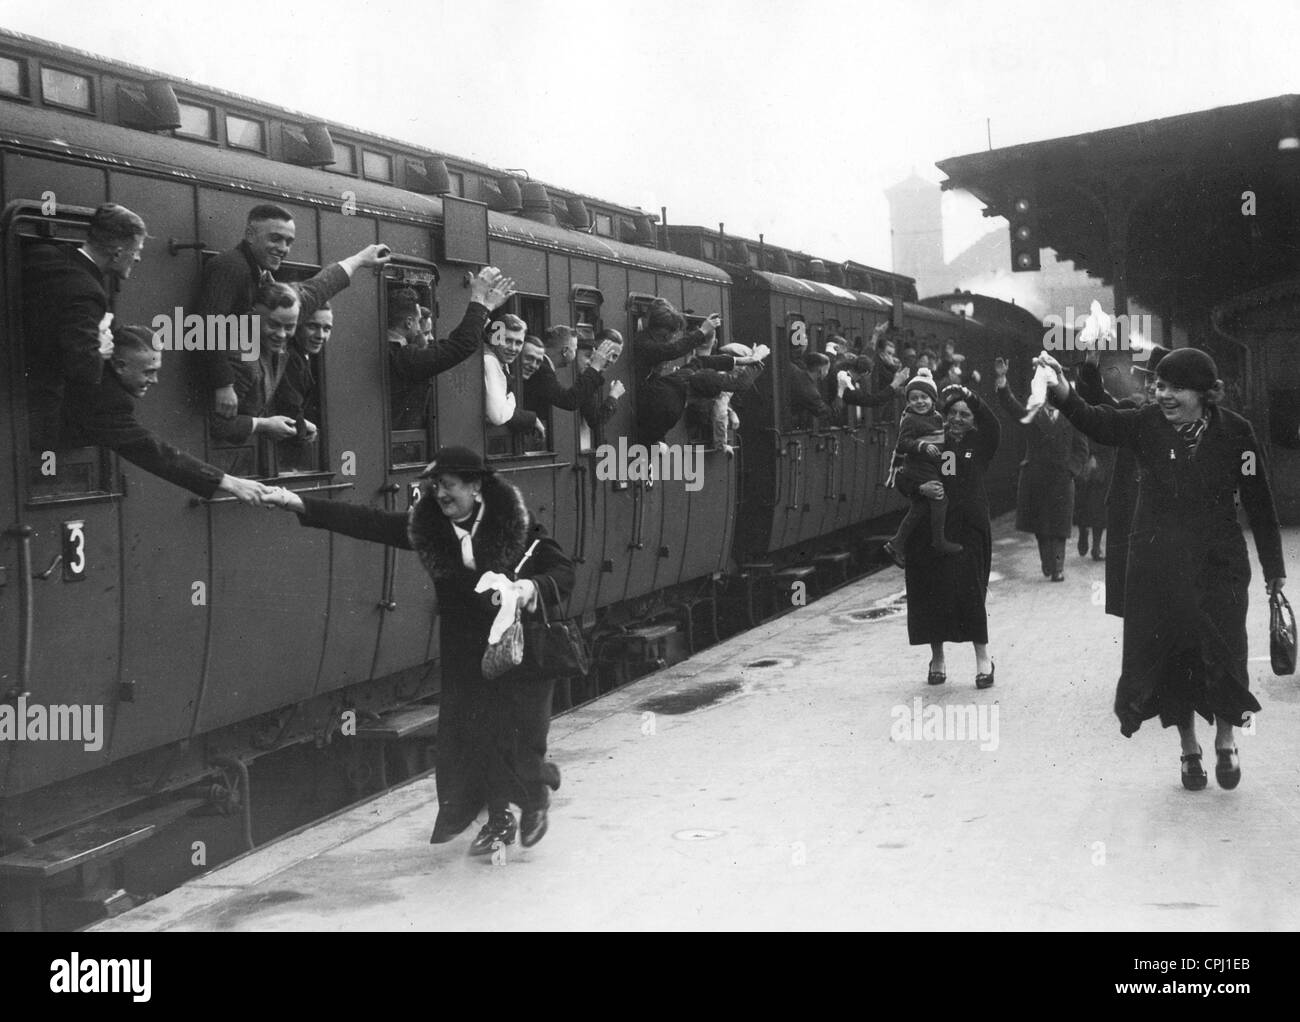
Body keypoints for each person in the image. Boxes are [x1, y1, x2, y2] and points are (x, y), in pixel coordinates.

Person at [263, 446, 573, 850]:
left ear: (476, 488)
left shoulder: (514, 523)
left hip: (517, 642)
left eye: (449, 486)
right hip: (465, 646)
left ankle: (535, 799)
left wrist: (531, 587)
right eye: (436, 487)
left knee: (519, 732)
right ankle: (498, 820)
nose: (440, 495)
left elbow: (562, 570)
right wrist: (298, 502)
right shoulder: (429, 526)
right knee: (474, 734)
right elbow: (368, 522)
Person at [1038, 347, 1285, 790]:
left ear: (1206, 393)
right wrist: (1060, 389)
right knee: (1176, 658)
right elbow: (1096, 419)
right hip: (1159, 565)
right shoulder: (1145, 424)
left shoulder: (1237, 434)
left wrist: (1274, 569)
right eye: (1160, 386)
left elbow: (1259, 501)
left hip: (1220, 564)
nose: (1163, 394)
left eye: (1176, 388)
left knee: (1227, 654)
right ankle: (1190, 751)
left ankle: (1226, 741)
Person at [198, 204, 390, 415]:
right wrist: (224, 385)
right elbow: (207, 325)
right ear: (250, 235)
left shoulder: (259, 274)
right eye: (275, 238)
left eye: (288, 242)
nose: (283, 248)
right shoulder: (232, 266)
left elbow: (312, 293)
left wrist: (359, 260)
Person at [67, 326, 273, 503]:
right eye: (148, 371)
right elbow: (155, 453)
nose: (154, 380)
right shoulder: (109, 400)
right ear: (120, 366)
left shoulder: (102, 381)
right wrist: (230, 482)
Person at [23, 202, 147, 450]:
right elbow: (83, 370)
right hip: (42, 421)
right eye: (137, 250)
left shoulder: (45, 256)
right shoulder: (88, 291)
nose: (138, 257)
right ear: (118, 252)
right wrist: (99, 350)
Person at [903, 384, 1000, 689]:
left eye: (965, 414)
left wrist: (973, 396)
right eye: (953, 413)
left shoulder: (980, 442)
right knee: (931, 594)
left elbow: (993, 424)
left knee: (970, 592)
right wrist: (920, 488)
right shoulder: (930, 440)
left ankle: (983, 659)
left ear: (973, 419)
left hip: (968, 528)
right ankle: (937, 659)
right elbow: (903, 475)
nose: (958, 419)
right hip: (931, 529)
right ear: (943, 416)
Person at [1074, 345, 1169, 616]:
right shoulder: (1132, 414)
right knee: (1135, 604)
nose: (1152, 387)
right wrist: (1091, 367)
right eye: (1150, 380)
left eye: (1160, 382)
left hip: (1163, 527)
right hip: (1129, 515)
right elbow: (1097, 402)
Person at [994, 357, 1089, 581]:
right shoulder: (1032, 411)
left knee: (1060, 526)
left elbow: (1081, 449)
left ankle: (1058, 568)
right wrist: (1001, 380)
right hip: (1035, 477)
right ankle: (1048, 562)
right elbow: (1011, 406)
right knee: (1041, 526)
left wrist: (1071, 470)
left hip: (1061, 478)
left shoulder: (1072, 416)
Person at [387, 269, 516, 430]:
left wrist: (487, 306)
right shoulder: (405, 357)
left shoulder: (398, 353)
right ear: (408, 322)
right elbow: (461, 344)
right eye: (419, 321)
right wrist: (477, 296)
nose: (422, 330)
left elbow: (453, 343)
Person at [883, 368, 963, 564]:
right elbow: (902, 443)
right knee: (939, 500)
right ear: (908, 402)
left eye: (924, 397)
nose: (919, 401)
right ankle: (939, 541)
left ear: (933, 399)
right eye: (914, 398)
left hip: (931, 467)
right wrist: (922, 445)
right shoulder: (910, 419)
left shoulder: (936, 418)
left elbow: (943, 446)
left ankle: (896, 544)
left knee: (920, 507)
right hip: (920, 469)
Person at [635, 343, 767, 447]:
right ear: (702, 398)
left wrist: (750, 359)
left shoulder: (687, 371)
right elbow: (645, 439)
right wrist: (659, 446)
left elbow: (705, 361)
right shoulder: (673, 411)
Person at [484, 312, 544, 440]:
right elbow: (498, 416)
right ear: (493, 338)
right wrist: (511, 399)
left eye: (518, 343)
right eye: (507, 340)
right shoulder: (490, 361)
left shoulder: (501, 361)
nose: (513, 348)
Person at [576, 329, 627, 446]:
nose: (609, 359)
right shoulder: (586, 375)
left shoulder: (594, 376)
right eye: (606, 353)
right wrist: (613, 396)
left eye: (614, 356)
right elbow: (596, 421)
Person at [787, 350, 834, 429]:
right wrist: (840, 392)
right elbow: (826, 413)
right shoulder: (812, 393)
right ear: (822, 370)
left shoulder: (792, 368)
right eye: (827, 369)